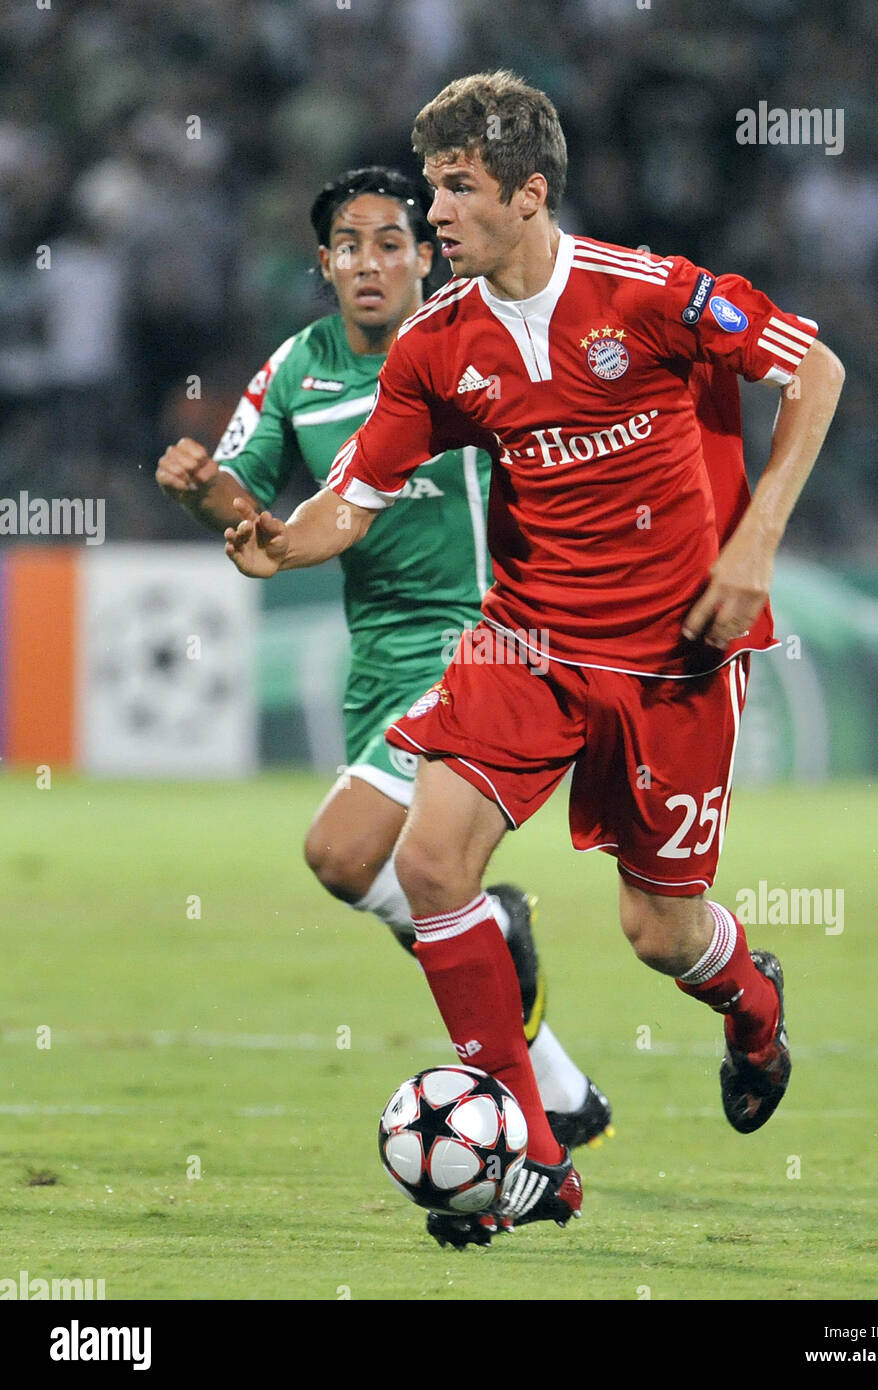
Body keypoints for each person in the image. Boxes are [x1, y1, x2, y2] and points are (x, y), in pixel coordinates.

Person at [224, 73, 845, 1250]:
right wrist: (280, 542)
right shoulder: (435, 346)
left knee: (660, 932)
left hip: (673, 657)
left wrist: (754, 542)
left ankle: (752, 1007)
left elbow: (816, 371)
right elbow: (353, 497)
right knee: (434, 861)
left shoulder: (652, 295)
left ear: (528, 191)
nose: (435, 214)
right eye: (435, 187)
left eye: (456, 190)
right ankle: (535, 1155)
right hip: (526, 639)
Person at [156, 165, 612, 1153]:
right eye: (350, 246)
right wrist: (204, 493)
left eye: (392, 242)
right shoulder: (294, 367)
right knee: (418, 890)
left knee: (345, 850)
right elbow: (257, 517)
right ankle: (561, 1092)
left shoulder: (473, 337)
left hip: (477, 635)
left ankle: (522, 1099)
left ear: (423, 253)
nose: (372, 263)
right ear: (324, 263)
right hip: (376, 654)